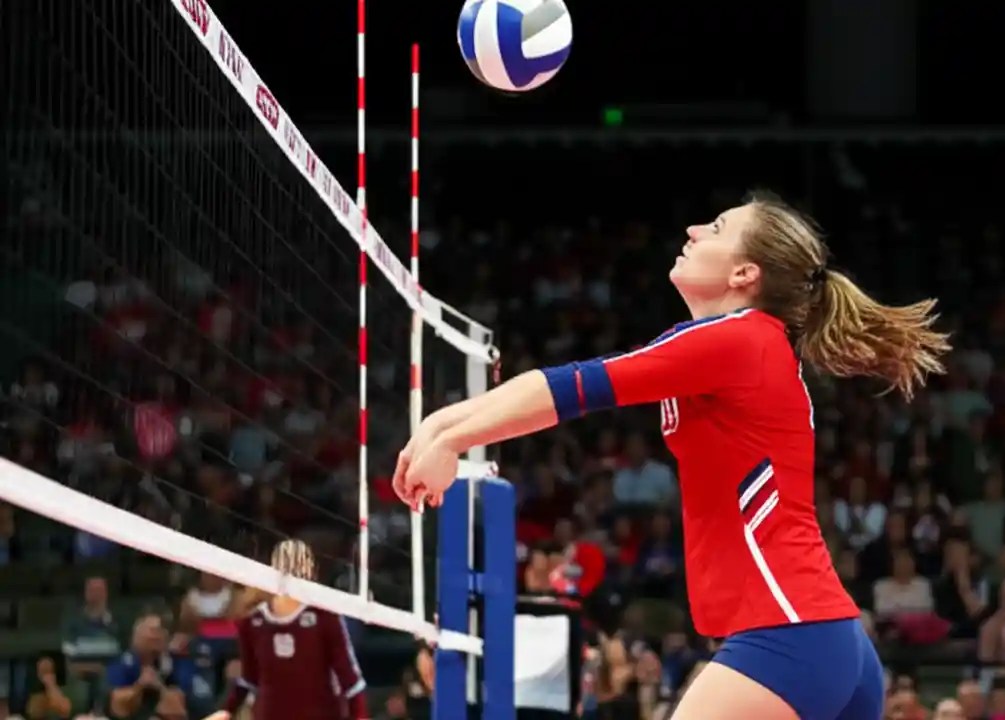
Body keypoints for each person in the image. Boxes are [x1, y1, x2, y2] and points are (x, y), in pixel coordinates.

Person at [395, 192, 948, 720]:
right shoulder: (741, 344)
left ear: (744, 274)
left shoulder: (740, 340)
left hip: (787, 634)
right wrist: (442, 426)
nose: (693, 230)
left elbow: (574, 386)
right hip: (823, 636)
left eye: (717, 227)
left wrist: (449, 437)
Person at [202, 539, 368, 720]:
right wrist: (227, 710)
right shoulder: (253, 622)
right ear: (274, 569)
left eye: (299, 565)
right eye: (286, 564)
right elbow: (249, 678)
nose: (292, 571)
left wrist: (359, 716)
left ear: (310, 570)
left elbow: (351, 682)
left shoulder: (325, 617)